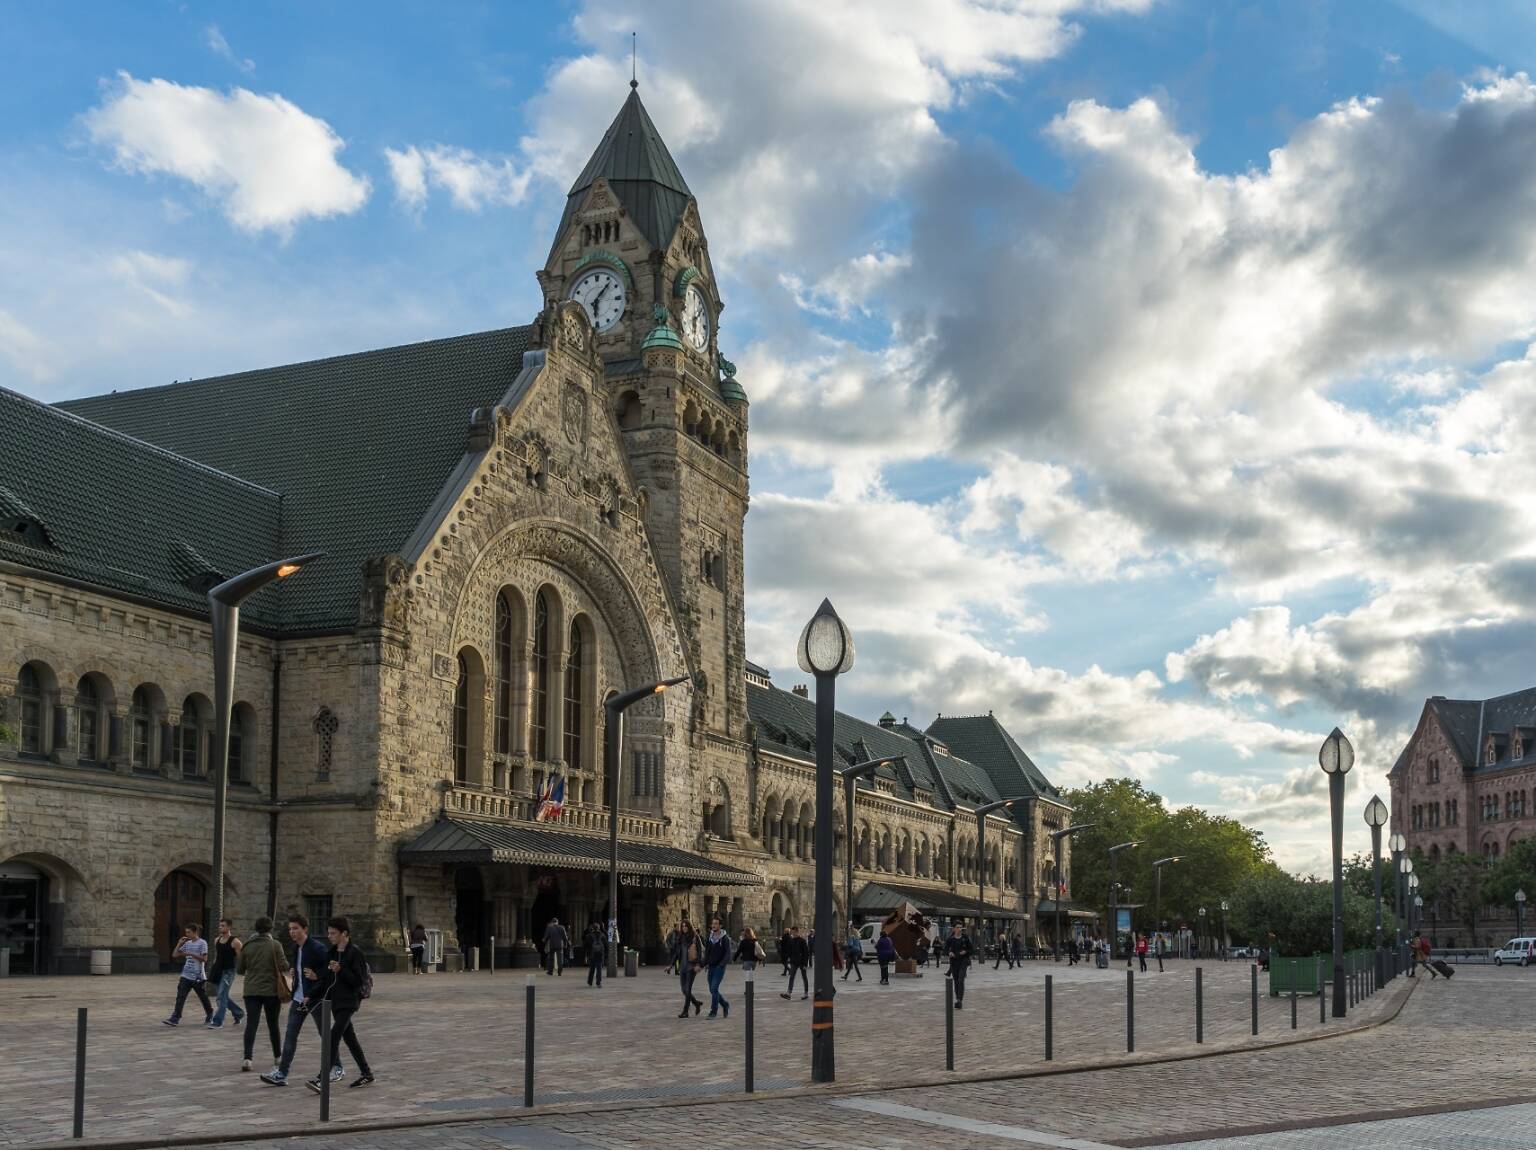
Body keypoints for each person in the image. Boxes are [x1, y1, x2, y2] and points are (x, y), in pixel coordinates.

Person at [260, 913, 344, 1087]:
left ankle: (337, 1067)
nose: (292, 932)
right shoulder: (296, 947)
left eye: (296, 928)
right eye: (290, 929)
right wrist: (295, 973)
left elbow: (330, 967)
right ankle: (282, 1074)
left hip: (315, 998)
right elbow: (300, 967)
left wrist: (317, 975)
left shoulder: (316, 947)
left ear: (305, 929)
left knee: (325, 1034)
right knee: (290, 1035)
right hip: (299, 999)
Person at [301, 917, 374, 1092]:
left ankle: (322, 1078)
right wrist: (310, 995)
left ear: (344, 934)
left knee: (333, 1037)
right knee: (350, 1038)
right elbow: (325, 980)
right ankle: (367, 1073)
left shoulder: (354, 953)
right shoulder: (331, 953)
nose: (329, 936)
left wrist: (341, 970)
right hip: (335, 1001)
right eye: (328, 933)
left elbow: (358, 981)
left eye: (333, 933)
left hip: (349, 1002)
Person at [236, 916, 287, 1071]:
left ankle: (247, 1059)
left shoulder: (247, 946)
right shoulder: (275, 945)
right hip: (271, 991)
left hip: (251, 990)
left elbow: (240, 969)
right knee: (273, 1024)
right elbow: (283, 965)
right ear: (270, 929)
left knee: (251, 1024)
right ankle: (278, 1057)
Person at [162, 923, 213, 1026]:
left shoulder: (202, 943)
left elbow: (204, 959)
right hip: (185, 975)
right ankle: (175, 1018)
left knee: (202, 997)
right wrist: (179, 944)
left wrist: (191, 954)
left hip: (198, 976)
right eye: (186, 932)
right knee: (180, 997)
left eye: (189, 932)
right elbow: (175, 954)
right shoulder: (187, 943)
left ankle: (210, 1013)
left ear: (195, 932)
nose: (187, 934)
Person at [206, 918, 245, 1029]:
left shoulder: (235, 942)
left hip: (228, 972)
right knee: (222, 996)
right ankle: (239, 1013)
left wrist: (241, 971)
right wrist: (213, 970)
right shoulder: (217, 940)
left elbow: (241, 958)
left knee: (221, 996)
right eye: (220, 925)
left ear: (229, 927)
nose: (220, 927)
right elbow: (217, 956)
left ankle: (218, 1022)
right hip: (217, 970)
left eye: (223, 926)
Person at [703, 915, 732, 1018]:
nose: (713, 925)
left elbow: (728, 954)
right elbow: (707, 953)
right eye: (713, 923)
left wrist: (721, 965)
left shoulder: (725, 938)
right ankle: (725, 1004)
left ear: (720, 925)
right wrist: (703, 964)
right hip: (711, 967)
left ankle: (713, 1011)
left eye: (716, 923)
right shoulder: (710, 937)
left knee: (714, 988)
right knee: (712, 990)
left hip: (719, 968)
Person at [673, 921, 704, 1017]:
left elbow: (700, 952)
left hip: (691, 967)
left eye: (686, 926)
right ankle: (696, 1003)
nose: (684, 928)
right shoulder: (680, 938)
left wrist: (698, 964)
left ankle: (685, 1011)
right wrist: (670, 965)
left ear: (689, 927)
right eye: (683, 926)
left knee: (688, 989)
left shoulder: (695, 937)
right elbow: (677, 953)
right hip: (682, 967)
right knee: (684, 990)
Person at [944, 922, 973, 1008]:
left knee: (961, 980)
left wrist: (965, 951)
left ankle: (960, 1000)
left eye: (961, 927)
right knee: (956, 981)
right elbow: (945, 950)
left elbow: (971, 949)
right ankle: (957, 999)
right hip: (954, 962)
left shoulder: (965, 938)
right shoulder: (950, 939)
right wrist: (949, 953)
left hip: (963, 962)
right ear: (954, 929)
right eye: (958, 927)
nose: (960, 929)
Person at [779, 925, 810, 1000]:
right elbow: (790, 950)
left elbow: (806, 953)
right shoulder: (791, 940)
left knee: (804, 977)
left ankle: (806, 993)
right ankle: (788, 993)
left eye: (793, 932)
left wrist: (805, 964)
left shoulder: (802, 941)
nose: (792, 934)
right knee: (792, 977)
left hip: (802, 962)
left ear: (797, 932)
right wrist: (789, 958)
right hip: (794, 962)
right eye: (792, 932)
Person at [585, 922, 606, 987]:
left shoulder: (589, 936)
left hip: (592, 954)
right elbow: (606, 945)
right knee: (599, 969)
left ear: (592, 928)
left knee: (592, 968)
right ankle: (598, 983)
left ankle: (590, 982)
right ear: (599, 928)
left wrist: (586, 955)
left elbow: (586, 946)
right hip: (600, 954)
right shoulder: (602, 935)